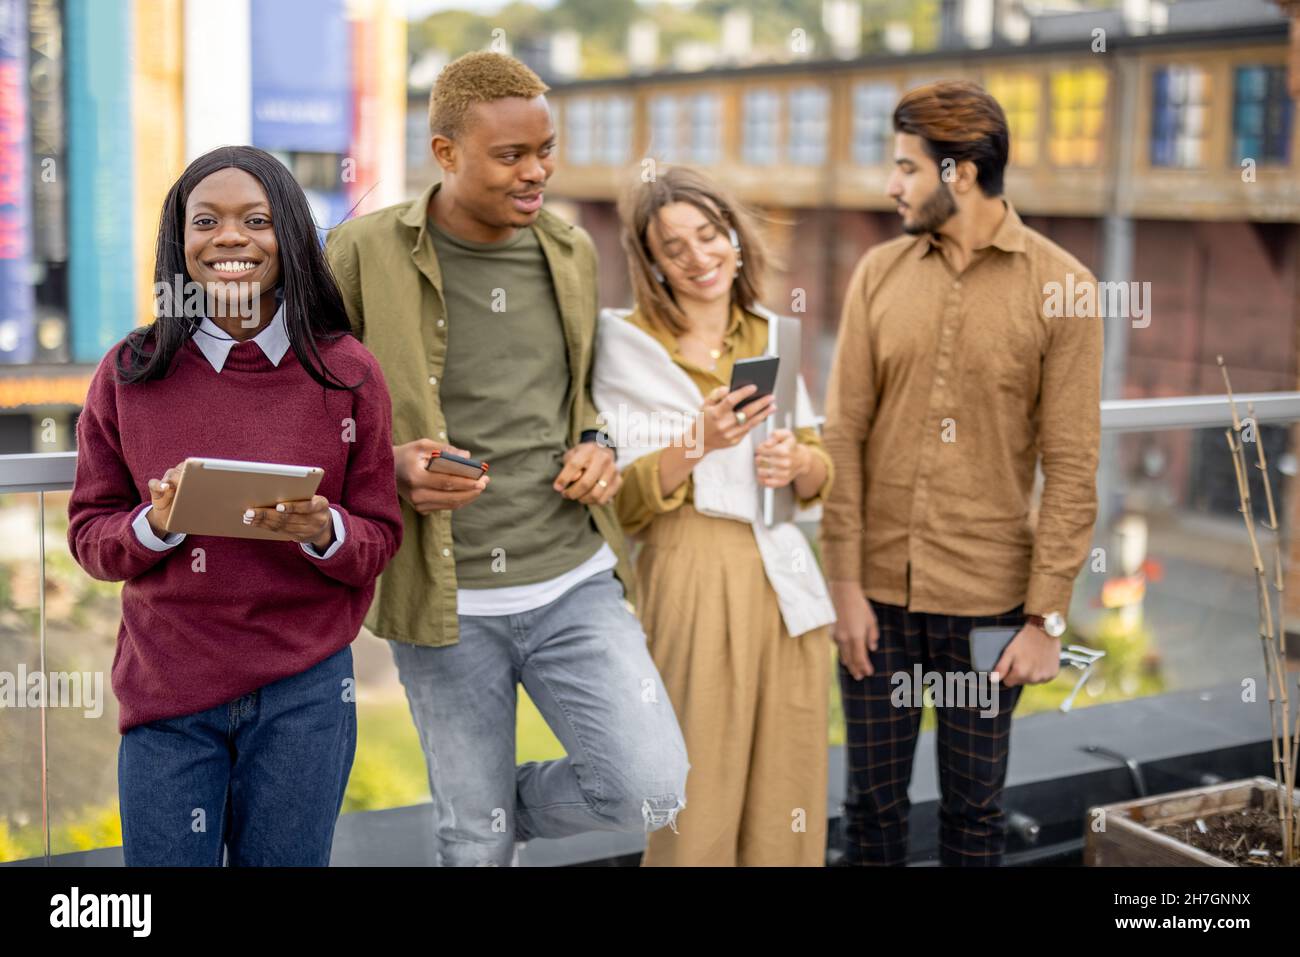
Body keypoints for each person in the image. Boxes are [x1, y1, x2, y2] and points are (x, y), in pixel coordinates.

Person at [324, 51, 688, 867]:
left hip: (574, 580)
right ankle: (475, 816)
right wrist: (386, 465)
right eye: (512, 155)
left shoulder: (570, 251)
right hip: (445, 603)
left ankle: (481, 806)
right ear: (446, 153)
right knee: (475, 847)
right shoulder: (361, 252)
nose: (538, 173)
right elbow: (303, 408)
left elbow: (580, 399)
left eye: (546, 150)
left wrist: (599, 446)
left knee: (649, 788)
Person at [67, 145, 403, 866]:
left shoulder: (347, 370)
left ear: (288, 234)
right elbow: (91, 536)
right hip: (169, 690)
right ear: (178, 241)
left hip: (305, 693)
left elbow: (379, 536)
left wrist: (324, 529)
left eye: (256, 220)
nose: (229, 238)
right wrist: (157, 523)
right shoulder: (131, 369)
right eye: (205, 221)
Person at [822, 80, 1103, 866]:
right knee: (869, 811)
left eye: (907, 168)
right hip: (876, 594)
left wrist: (1046, 618)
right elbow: (843, 434)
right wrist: (842, 585)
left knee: (974, 816)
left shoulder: (1067, 288)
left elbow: (1073, 464)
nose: (890, 185)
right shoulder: (878, 274)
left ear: (961, 173)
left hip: (988, 605)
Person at [595, 165, 836, 866]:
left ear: (734, 237)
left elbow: (823, 468)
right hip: (688, 569)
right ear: (653, 265)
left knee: (788, 785)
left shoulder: (771, 335)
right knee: (695, 787)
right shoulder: (623, 346)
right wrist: (699, 441)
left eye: (709, 234)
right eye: (675, 247)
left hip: (785, 578)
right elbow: (622, 499)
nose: (699, 257)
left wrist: (798, 465)